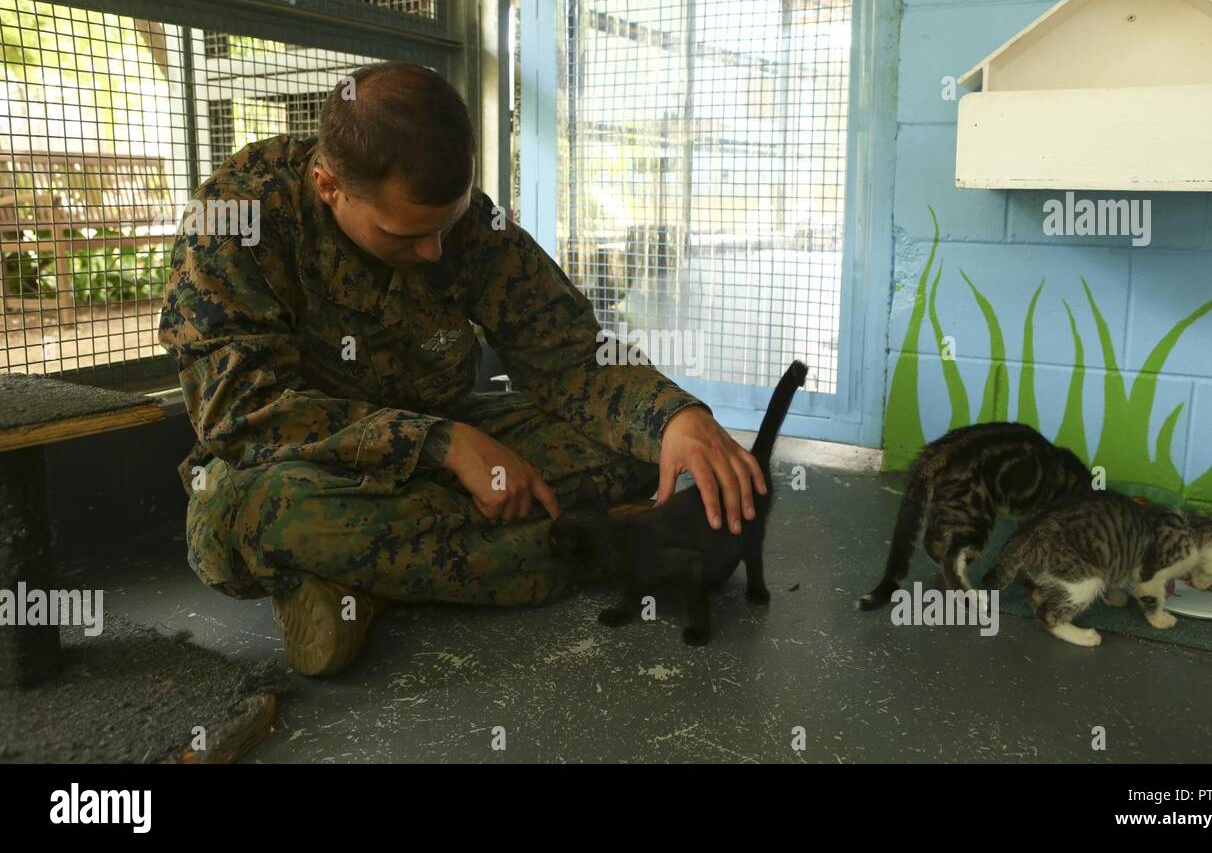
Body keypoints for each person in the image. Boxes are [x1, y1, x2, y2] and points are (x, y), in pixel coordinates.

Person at [159, 62, 764, 675]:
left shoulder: (464, 218)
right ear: (327, 185)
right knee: (251, 519)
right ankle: (606, 546)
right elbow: (242, 413)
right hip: (301, 464)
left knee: (639, 454)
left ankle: (364, 578)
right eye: (407, 234)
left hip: (449, 426)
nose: (434, 252)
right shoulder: (237, 217)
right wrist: (442, 446)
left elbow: (568, 355)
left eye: (448, 225)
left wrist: (674, 417)